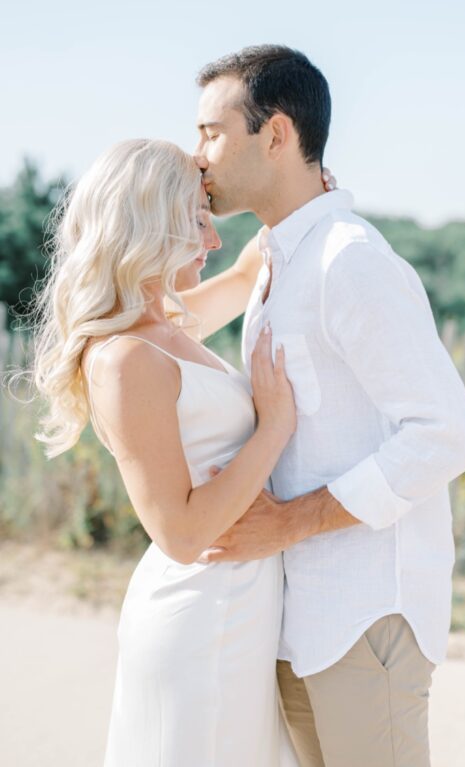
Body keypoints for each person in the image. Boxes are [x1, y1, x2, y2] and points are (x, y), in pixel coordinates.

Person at [191, 45, 465, 767]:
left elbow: (447, 435)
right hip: (295, 615)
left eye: (211, 131)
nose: (197, 154)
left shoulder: (348, 260)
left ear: (277, 134)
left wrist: (289, 522)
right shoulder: (277, 263)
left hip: (365, 615)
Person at [32, 138, 302, 765]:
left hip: (239, 608)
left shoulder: (167, 328)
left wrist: (292, 189)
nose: (212, 239)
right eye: (196, 220)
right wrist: (273, 429)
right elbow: (180, 534)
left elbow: (243, 276)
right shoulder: (127, 358)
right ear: (147, 225)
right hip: (201, 615)